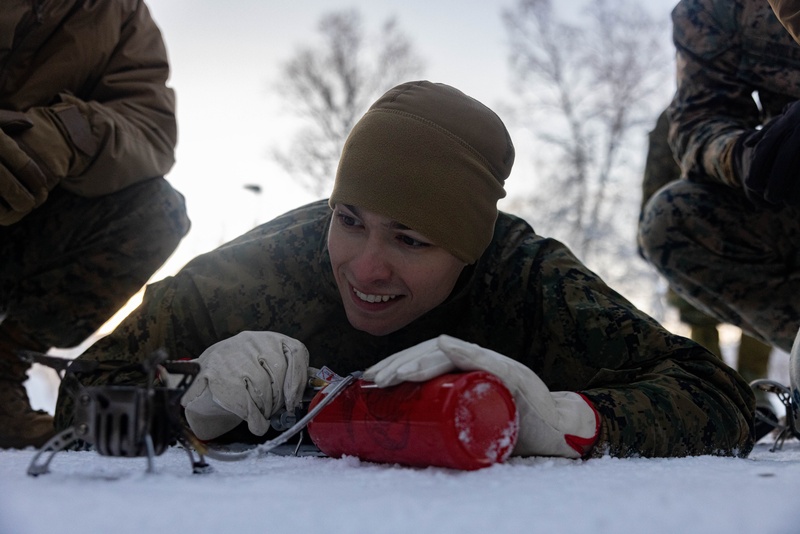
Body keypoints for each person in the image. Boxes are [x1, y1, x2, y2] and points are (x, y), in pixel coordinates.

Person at [55, 80, 753, 459]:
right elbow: (80, 401)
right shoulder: (255, 273)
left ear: (469, 247)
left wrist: (564, 419)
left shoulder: (526, 278)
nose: (365, 266)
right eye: (349, 219)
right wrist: (187, 403)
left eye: (411, 240)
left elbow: (719, 399)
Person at [0, 1, 190, 449]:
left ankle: (2, 365)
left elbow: (151, 128)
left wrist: (69, 135)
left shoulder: (121, 14)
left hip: (23, 212)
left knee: (154, 212)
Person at [639, 0, 800, 358]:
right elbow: (697, 123)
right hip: (787, 198)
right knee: (672, 220)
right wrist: (750, 157)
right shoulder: (714, 10)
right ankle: (739, 390)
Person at [640, 109, 774, 438]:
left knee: (758, 309)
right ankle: (719, 396)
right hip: (690, 223)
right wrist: (648, 229)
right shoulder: (673, 116)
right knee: (697, 312)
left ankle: (752, 395)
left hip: (748, 224)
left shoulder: (762, 104)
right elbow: (656, 174)